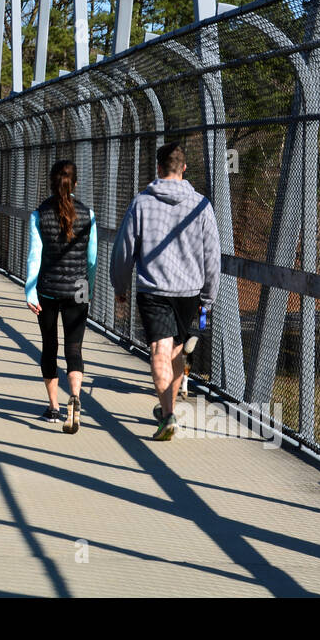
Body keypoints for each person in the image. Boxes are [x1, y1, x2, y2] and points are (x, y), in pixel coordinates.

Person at [110, 143, 220, 441]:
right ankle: (168, 411)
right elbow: (212, 256)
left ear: (158, 168)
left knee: (160, 350)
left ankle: (168, 413)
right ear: (184, 168)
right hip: (189, 292)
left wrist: (120, 285)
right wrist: (207, 298)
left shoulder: (142, 203)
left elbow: (124, 249)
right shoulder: (201, 205)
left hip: (153, 289)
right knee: (174, 353)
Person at [24, 160, 97, 433]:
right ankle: (75, 396)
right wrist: (87, 285)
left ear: (52, 183)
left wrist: (30, 291)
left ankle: (54, 407)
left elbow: (35, 257)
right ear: (75, 183)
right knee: (74, 348)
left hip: (48, 290)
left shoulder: (39, 214)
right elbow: (92, 259)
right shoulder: (88, 214)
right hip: (78, 291)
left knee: (49, 346)